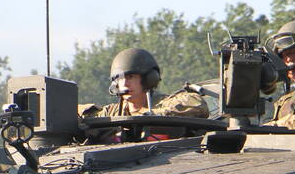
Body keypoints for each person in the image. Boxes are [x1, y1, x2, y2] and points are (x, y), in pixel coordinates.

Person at [79, 47, 208, 140]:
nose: (125, 83)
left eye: (130, 77)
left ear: (148, 79)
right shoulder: (114, 113)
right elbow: (78, 114)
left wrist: (151, 117)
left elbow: (197, 103)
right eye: (120, 79)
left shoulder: (163, 103)